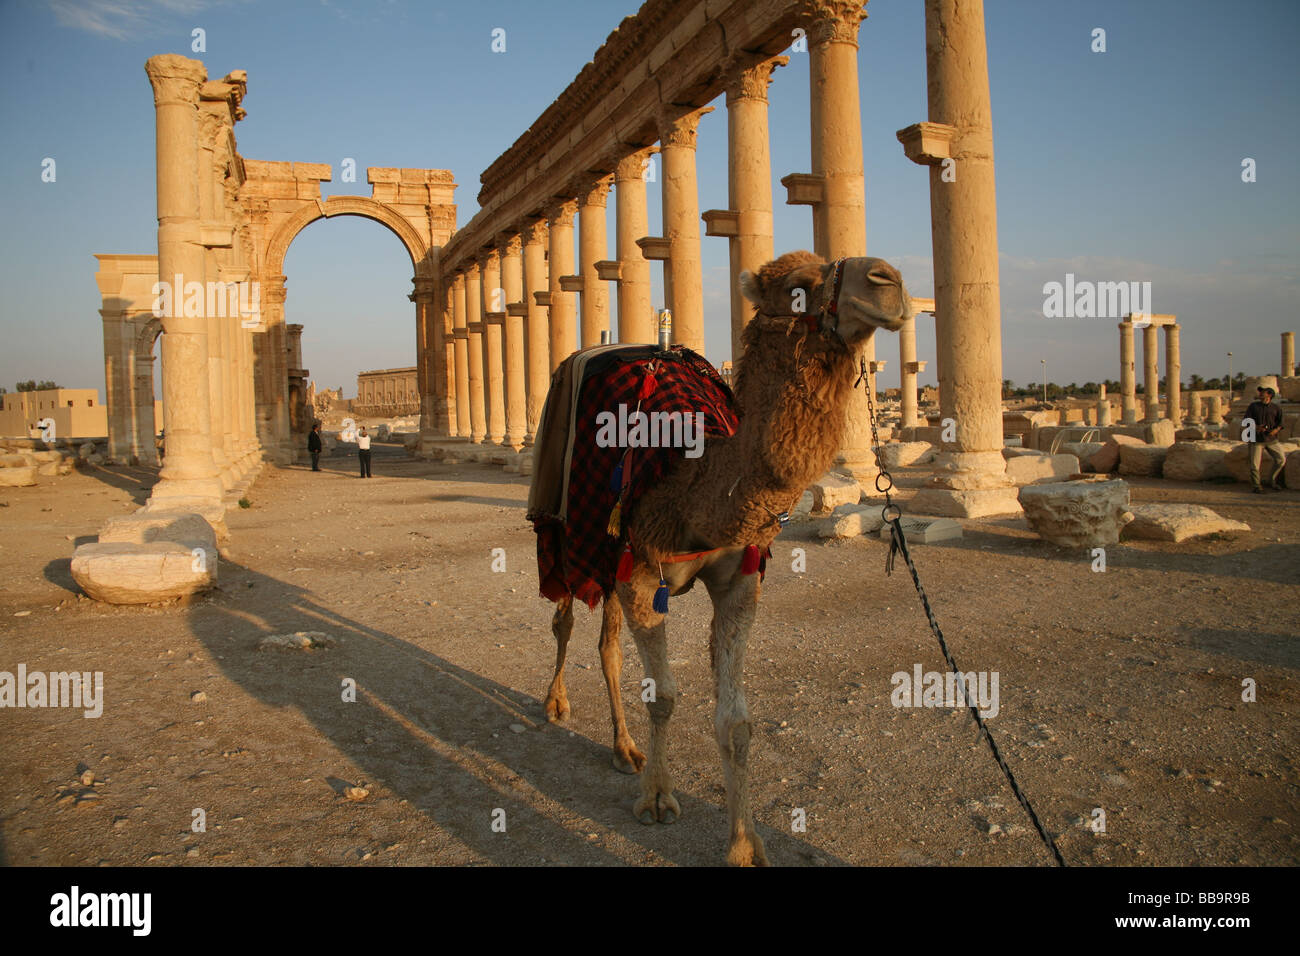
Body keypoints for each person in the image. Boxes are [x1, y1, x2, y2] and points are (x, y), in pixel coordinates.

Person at [1244, 386, 1285, 493]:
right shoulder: (1253, 406)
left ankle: (1271, 480)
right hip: (1256, 439)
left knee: (1281, 460)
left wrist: (1275, 430)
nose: (1260, 393)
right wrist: (1256, 427)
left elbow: (1280, 424)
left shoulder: (1276, 408)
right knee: (1255, 464)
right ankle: (1256, 486)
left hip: (1271, 439)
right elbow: (1246, 421)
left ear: (1269, 395)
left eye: (1263, 392)